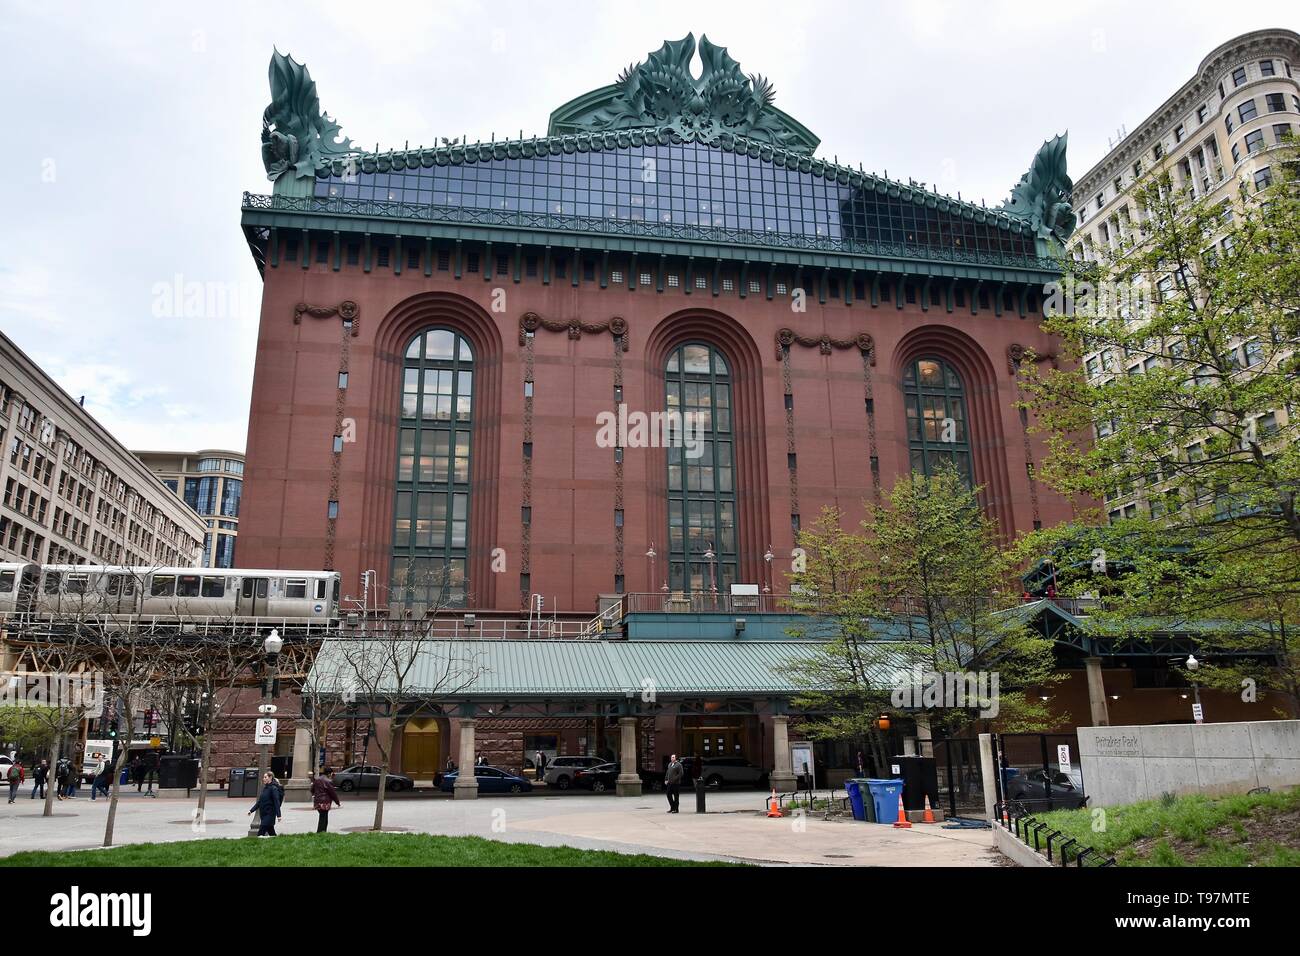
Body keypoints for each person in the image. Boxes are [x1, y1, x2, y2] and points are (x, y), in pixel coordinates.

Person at [248, 771, 283, 837]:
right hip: (263, 814)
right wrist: (251, 810)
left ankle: (256, 844)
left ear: (270, 777)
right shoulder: (265, 788)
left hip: (270, 814)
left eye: (265, 777)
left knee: (261, 832)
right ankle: (276, 841)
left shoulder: (274, 788)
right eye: (263, 777)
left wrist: (279, 815)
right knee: (271, 831)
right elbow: (260, 802)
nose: (263, 779)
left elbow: (276, 802)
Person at [311, 767, 341, 833]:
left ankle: (322, 831)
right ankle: (321, 832)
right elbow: (333, 793)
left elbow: (312, 789)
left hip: (317, 801)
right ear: (329, 773)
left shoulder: (317, 780)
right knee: (324, 817)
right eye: (331, 773)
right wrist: (337, 802)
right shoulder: (328, 781)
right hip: (325, 802)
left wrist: (315, 794)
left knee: (322, 816)